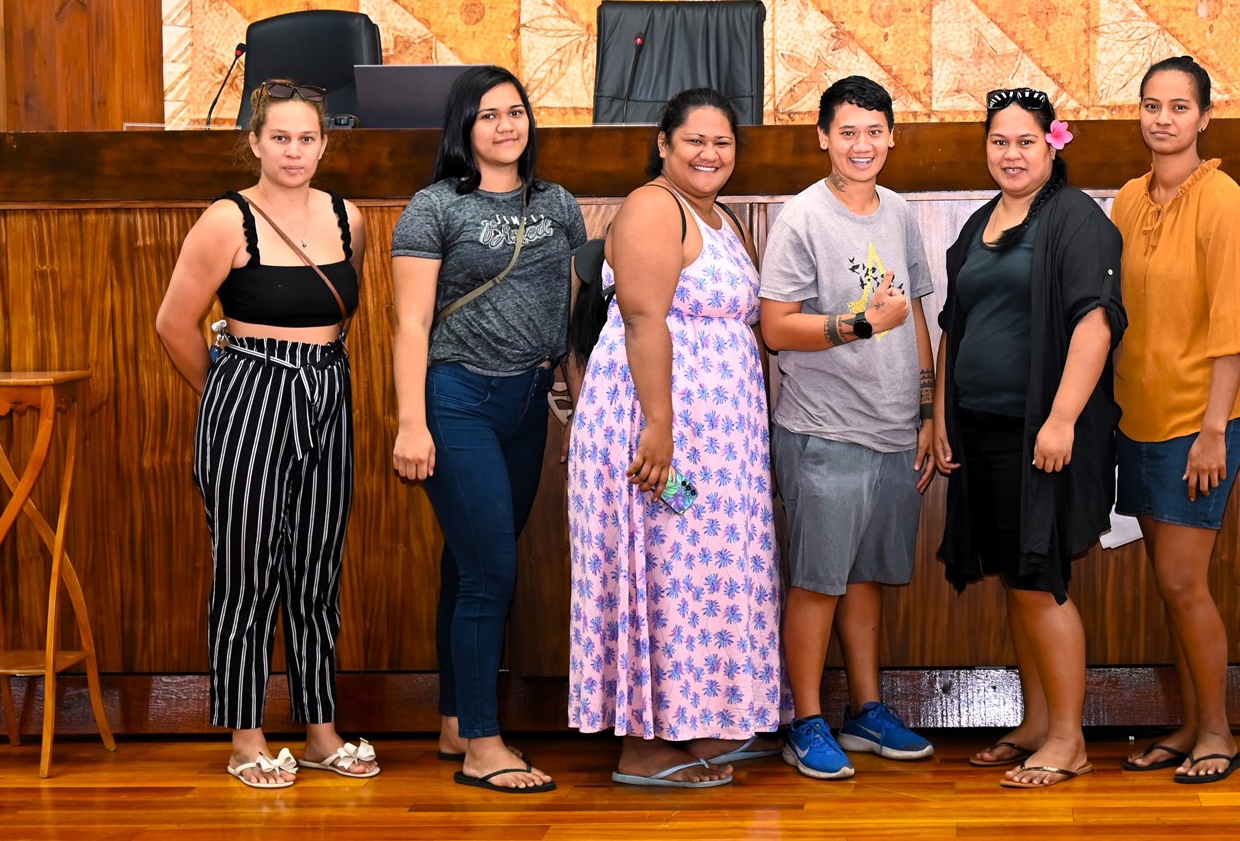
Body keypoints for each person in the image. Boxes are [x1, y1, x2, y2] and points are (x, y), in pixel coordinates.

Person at [155, 79, 379, 788]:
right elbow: (173, 323)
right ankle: (247, 736)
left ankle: (320, 730)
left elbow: (346, 310)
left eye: (306, 137)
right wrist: (227, 395)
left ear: (323, 144)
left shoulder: (350, 217)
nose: (293, 150)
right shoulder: (228, 218)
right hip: (250, 387)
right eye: (279, 136)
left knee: (317, 569)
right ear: (254, 142)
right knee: (248, 572)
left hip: (327, 389)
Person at [569, 87, 785, 788]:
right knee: (656, 571)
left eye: (722, 143)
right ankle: (642, 745)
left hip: (716, 438)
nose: (709, 153)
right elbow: (642, 318)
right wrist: (659, 427)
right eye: (694, 139)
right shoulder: (652, 205)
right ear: (663, 143)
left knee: (697, 576)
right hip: (657, 424)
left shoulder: (716, 217)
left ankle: (700, 720)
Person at [391, 65, 584, 795]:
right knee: (491, 571)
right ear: (463, 128)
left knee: (468, 565)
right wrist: (413, 421)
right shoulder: (433, 207)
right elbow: (410, 321)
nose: (507, 125)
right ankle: (482, 742)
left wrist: (578, 395)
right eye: (489, 115)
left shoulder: (559, 204)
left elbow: (570, 317)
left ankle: (453, 718)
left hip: (528, 399)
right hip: (457, 396)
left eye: (517, 111)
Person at [934, 86, 1124, 789]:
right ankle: (1038, 719)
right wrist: (940, 416)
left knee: (1041, 578)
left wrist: (1062, 416)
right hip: (979, 427)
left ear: (1053, 144)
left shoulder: (1076, 221)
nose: (1011, 154)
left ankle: (1070, 740)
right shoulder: (980, 223)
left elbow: (1095, 322)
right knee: (1016, 577)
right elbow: (955, 324)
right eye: (999, 141)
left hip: (1040, 431)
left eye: (1025, 141)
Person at [759, 76, 938, 780]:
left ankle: (866, 709)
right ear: (823, 138)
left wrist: (925, 412)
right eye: (847, 132)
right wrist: (859, 323)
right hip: (824, 431)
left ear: (891, 136)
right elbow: (776, 327)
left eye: (874, 131)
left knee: (865, 577)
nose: (861, 144)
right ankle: (805, 721)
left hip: (894, 430)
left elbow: (916, 314)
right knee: (818, 581)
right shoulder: (801, 217)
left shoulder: (898, 212)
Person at [1111, 57, 1240, 787]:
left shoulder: (1224, 198)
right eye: (1151, 104)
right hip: (1138, 416)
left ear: (1204, 117)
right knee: (1169, 585)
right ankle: (1193, 720)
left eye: (1178, 106)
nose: (1162, 118)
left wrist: (1211, 429)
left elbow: (1235, 324)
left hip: (1200, 419)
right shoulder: (1127, 200)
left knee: (1184, 581)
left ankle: (1220, 732)